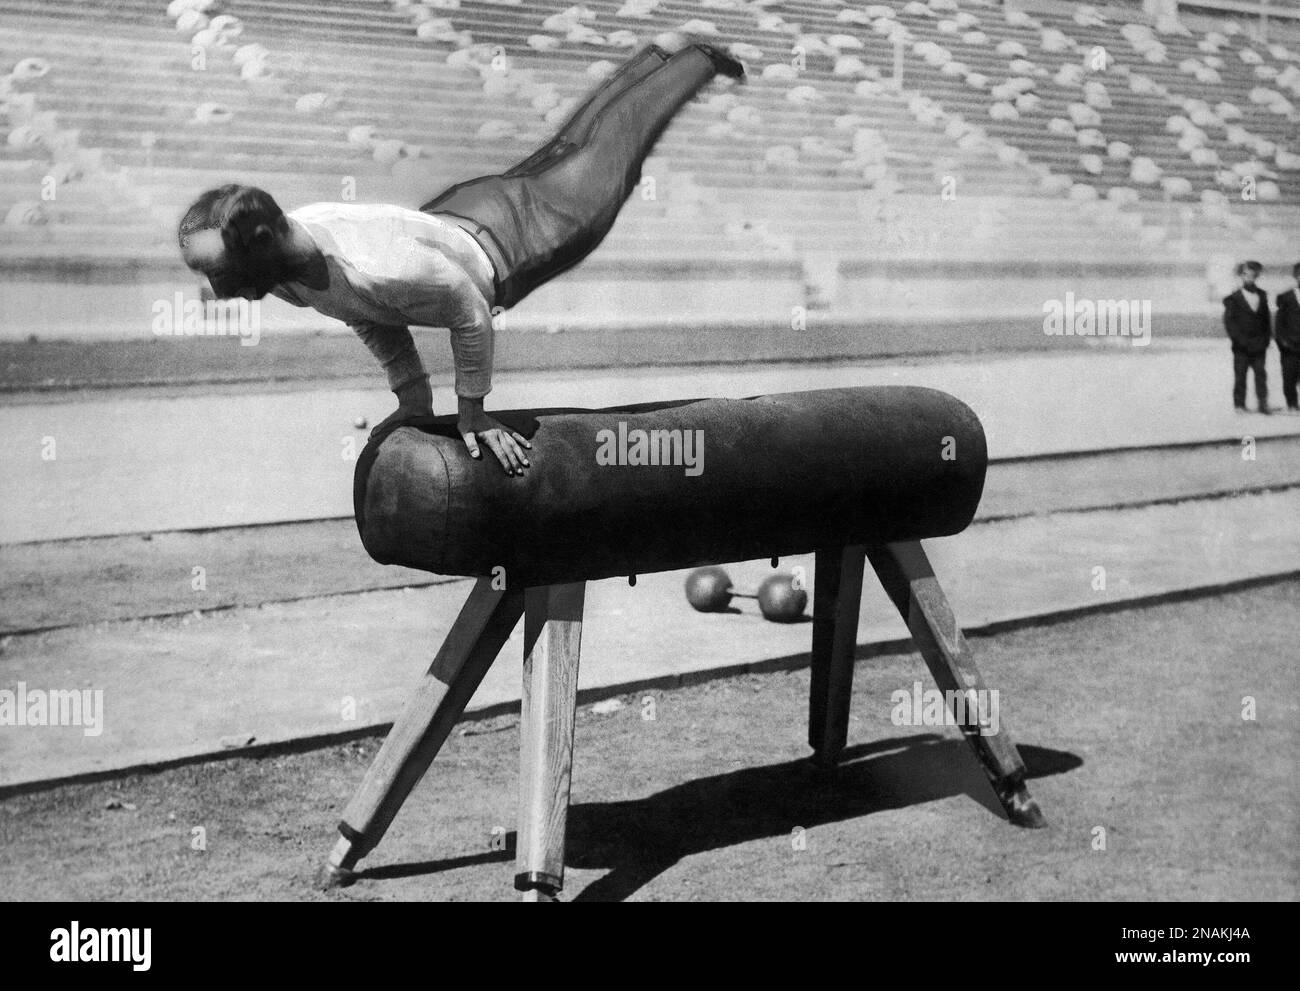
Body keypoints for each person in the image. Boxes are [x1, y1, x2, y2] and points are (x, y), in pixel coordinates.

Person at [176, 42, 744, 473]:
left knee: (614, 157)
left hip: (520, 242)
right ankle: (648, 62)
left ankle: (693, 61)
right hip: (460, 216)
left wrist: (472, 412)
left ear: (262, 246)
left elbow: (470, 312)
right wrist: (413, 397)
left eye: (223, 276)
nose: (220, 292)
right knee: (566, 150)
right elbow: (364, 313)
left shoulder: (380, 265)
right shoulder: (286, 262)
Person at [1222, 261, 1272, 414]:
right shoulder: (1233, 298)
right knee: (1240, 376)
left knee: (1261, 375)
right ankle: (1239, 405)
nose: (1249, 278)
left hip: (1259, 345)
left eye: (1252, 275)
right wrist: (1239, 340)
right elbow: (1229, 323)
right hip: (1241, 346)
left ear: (1256, 276)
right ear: (1240, 276)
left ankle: (1262, 404)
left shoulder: (1262, 295)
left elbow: (1266, 320)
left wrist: (1266, 339)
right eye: (1245, 274)